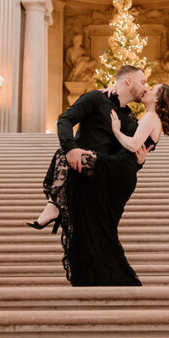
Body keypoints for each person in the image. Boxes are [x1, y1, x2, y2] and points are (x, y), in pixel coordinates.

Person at [27, 66, 146, 286]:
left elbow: (125, 158)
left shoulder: (131, 120)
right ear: (128, 80)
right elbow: (65, 120)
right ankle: (89, 285)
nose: (145, 87)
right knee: (85, 237)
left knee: (103, 233)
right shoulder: (95, 98)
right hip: (83, 176)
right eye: (143, 81)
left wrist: (139, 161)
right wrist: (71, 147)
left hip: (107, 181)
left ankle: (54, 204)